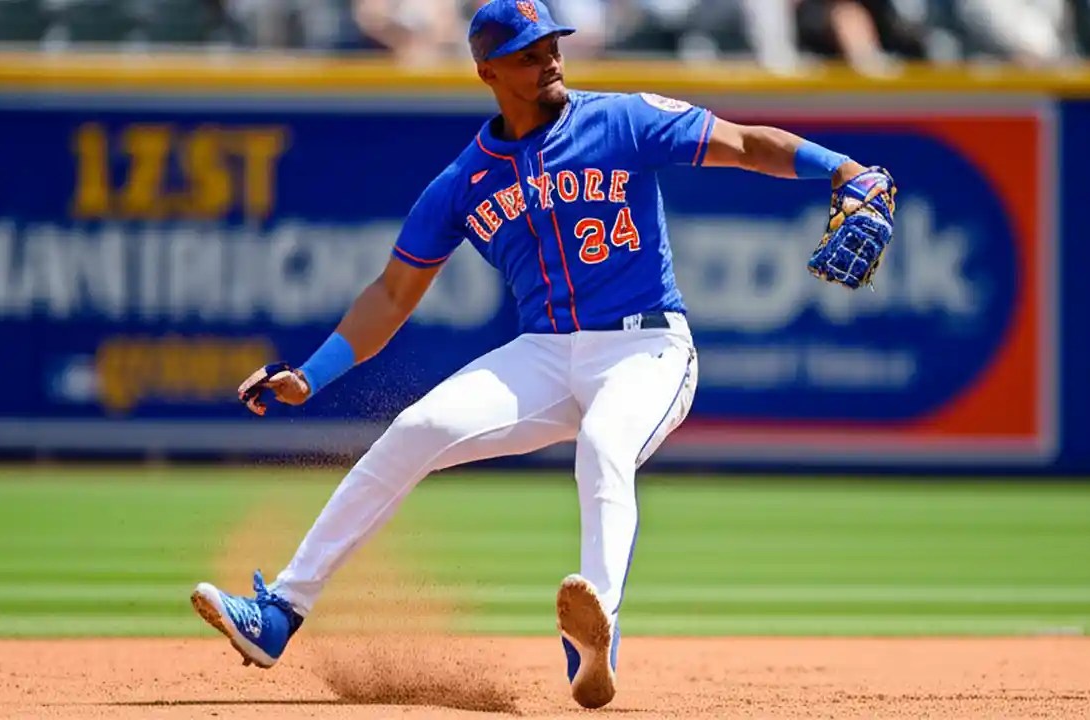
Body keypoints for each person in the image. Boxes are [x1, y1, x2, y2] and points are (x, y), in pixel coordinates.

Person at [189, 0, 887, 709]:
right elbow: (394, 293)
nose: (549, 59)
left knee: (605, 442)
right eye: (528, 52)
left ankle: (595, 637)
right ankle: (280, 613)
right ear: (486, 70)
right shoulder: (463, 181)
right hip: (544, 353)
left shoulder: (620, 120)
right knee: (414, 431)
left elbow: (741, 143)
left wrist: (843, 170)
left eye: (553, 44)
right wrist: (312, 374)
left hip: (648, 346)